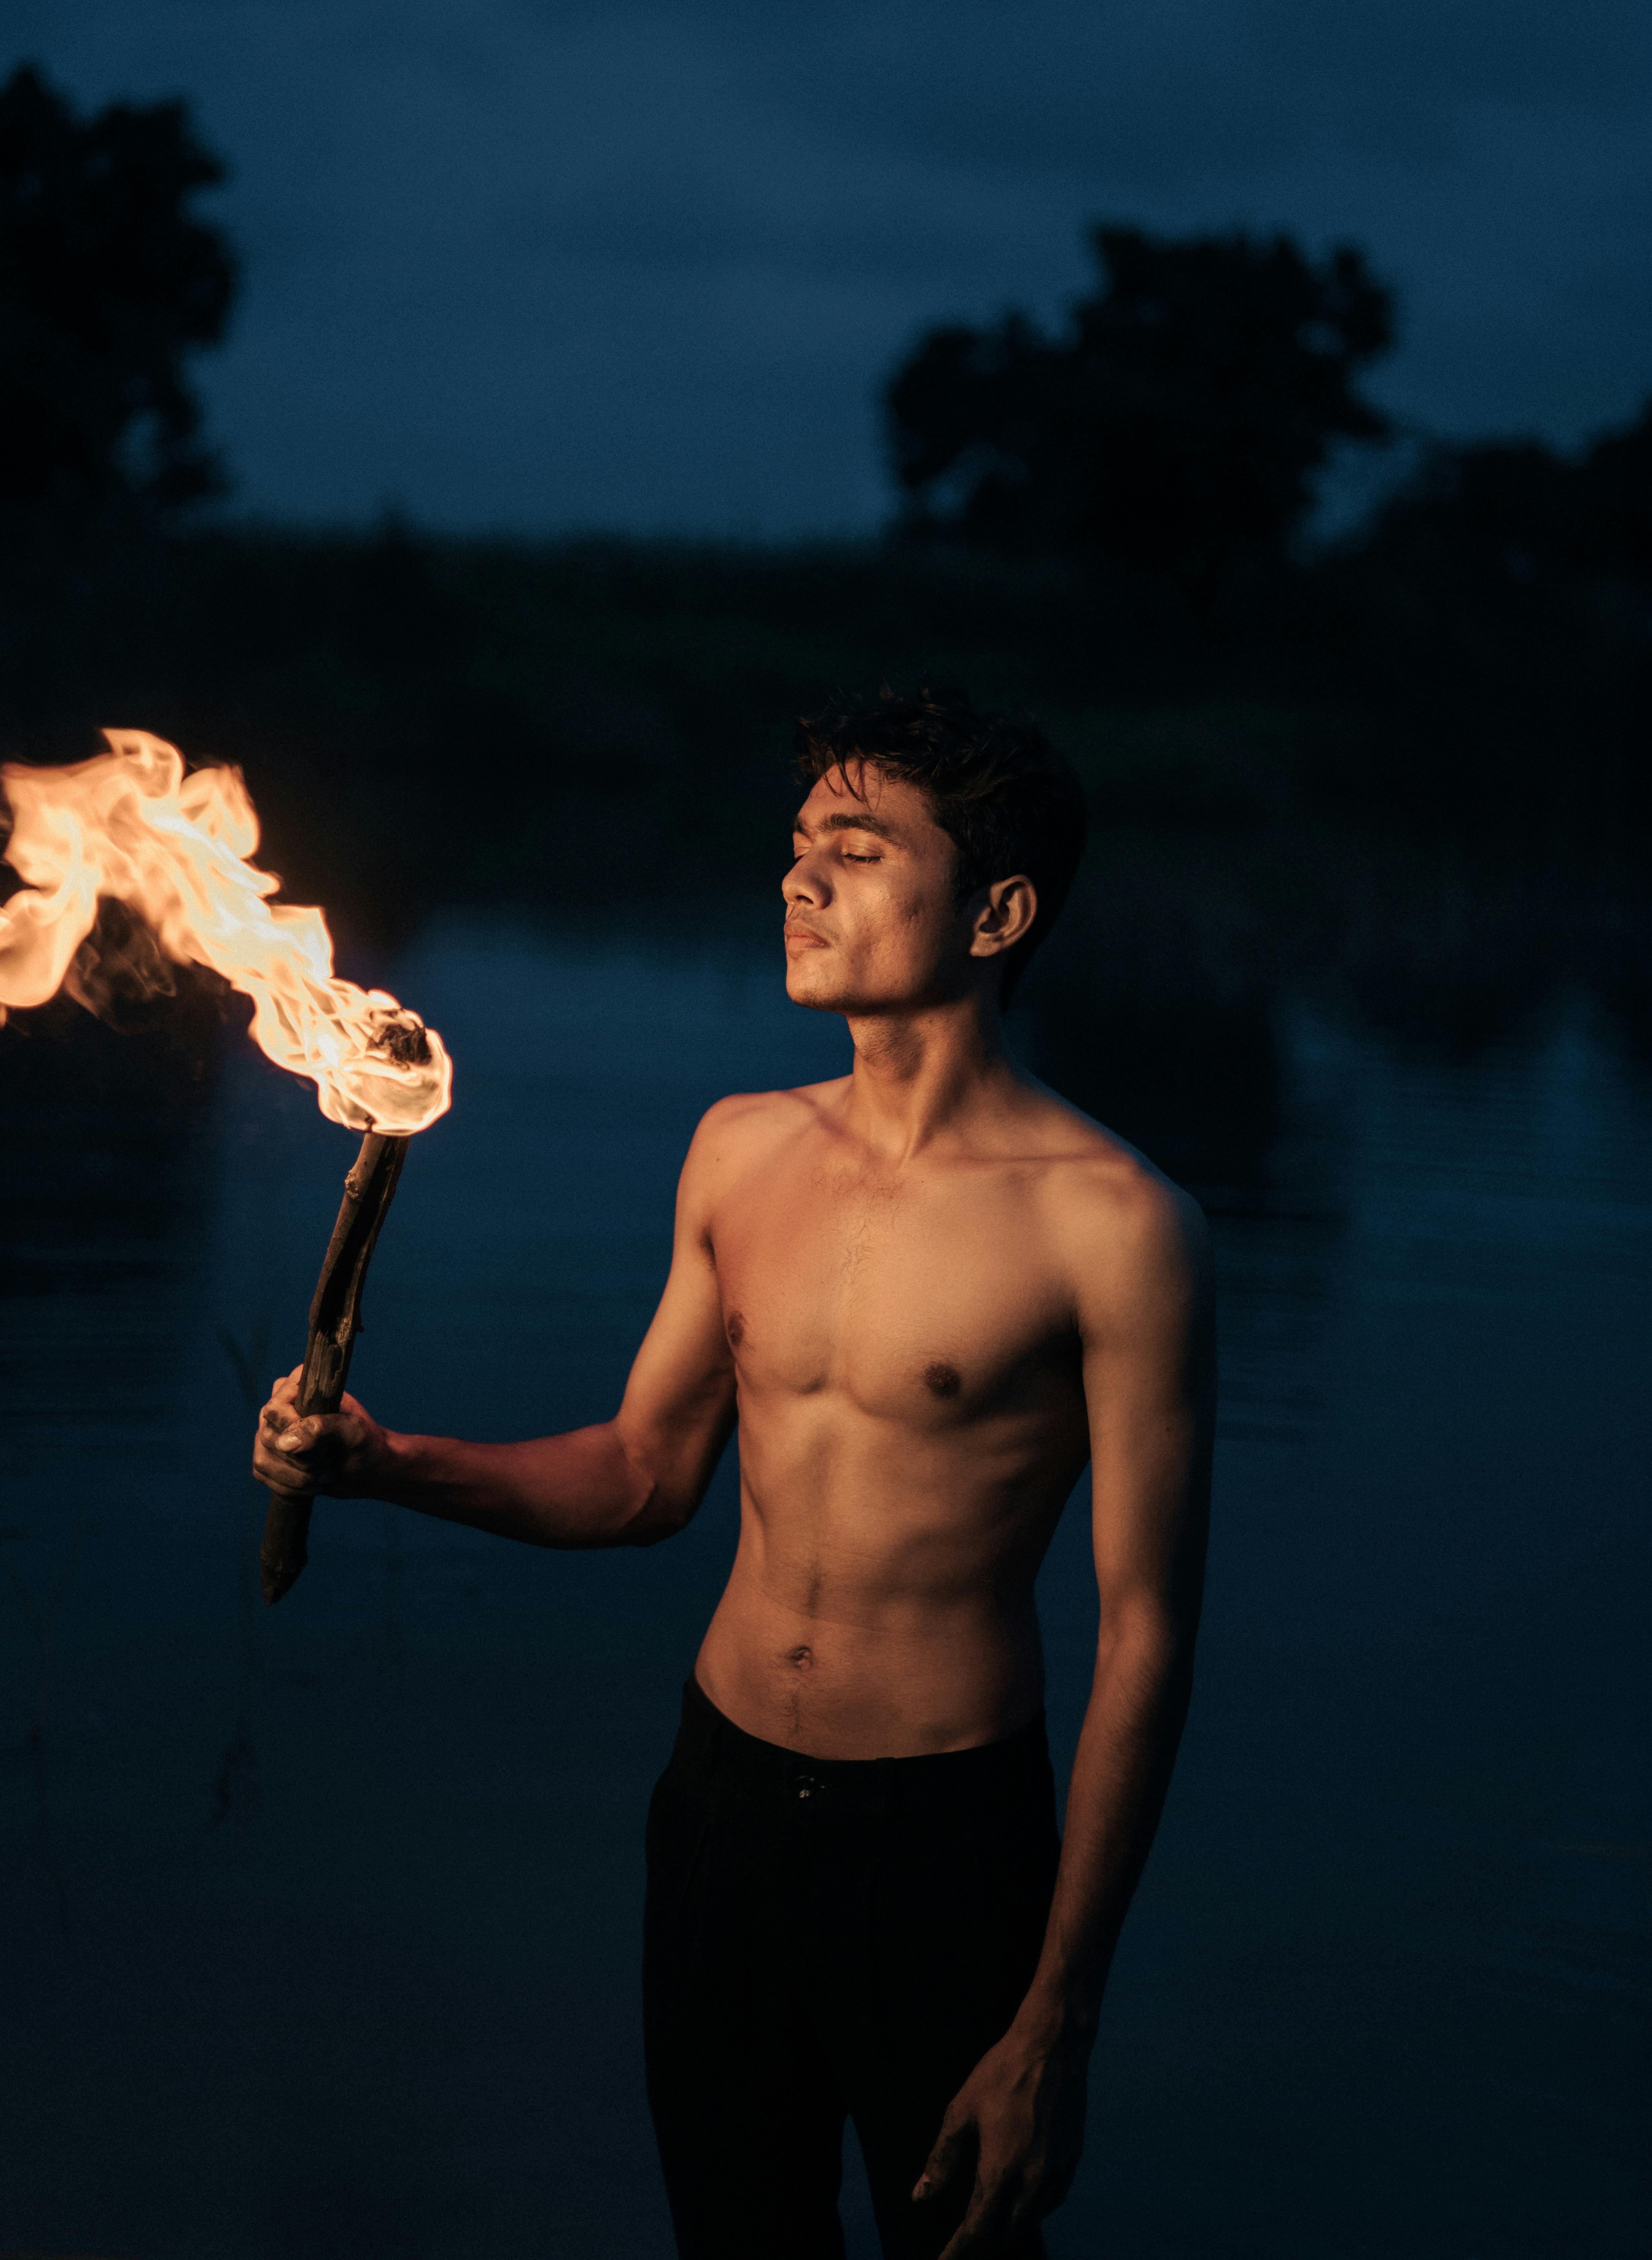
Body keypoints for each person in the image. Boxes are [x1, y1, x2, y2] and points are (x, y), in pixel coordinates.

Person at [253, 686, 1215, 2259]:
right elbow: (644, 1474)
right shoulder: (738, 1147)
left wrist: (1058, 2018)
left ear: (1000, 908)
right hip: (717, 1809)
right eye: (794, 849)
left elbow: (1146, 1639)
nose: (799, 882)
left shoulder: (1114, 1226)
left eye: (855, 849)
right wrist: (384, 1463)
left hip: (946, 1842)